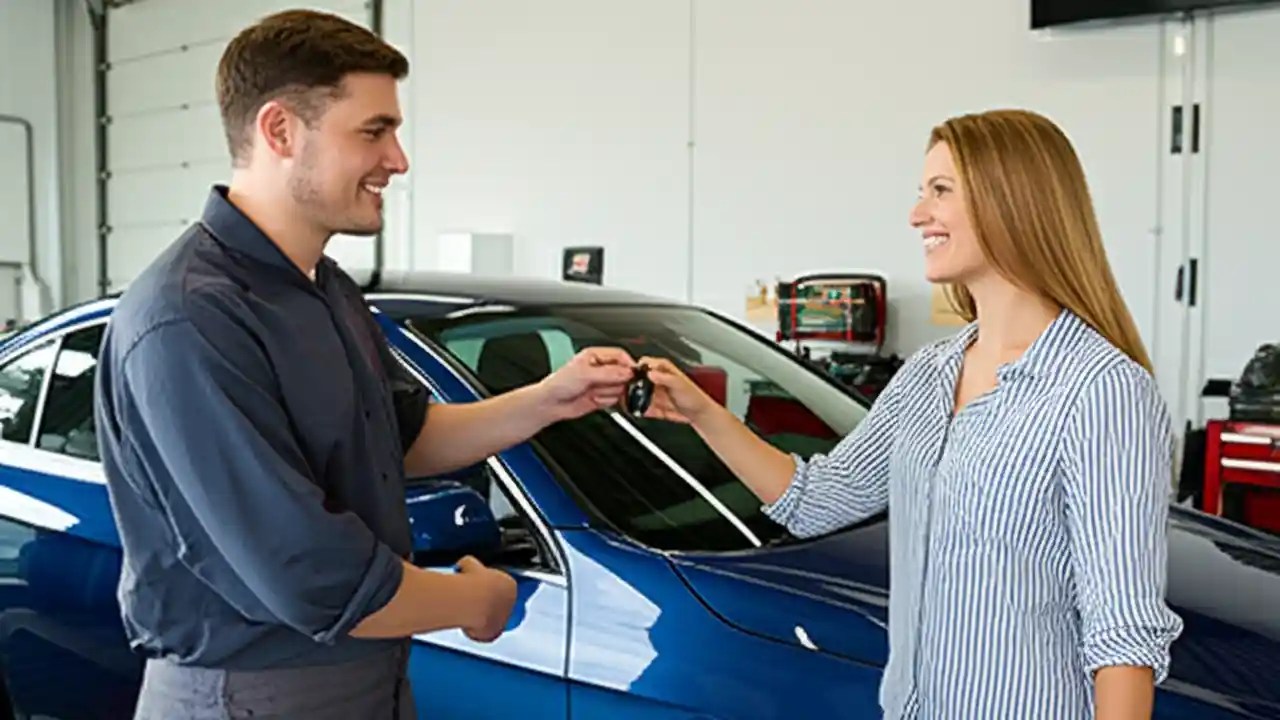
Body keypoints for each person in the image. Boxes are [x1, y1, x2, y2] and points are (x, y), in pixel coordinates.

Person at [93, 10, 636, 720]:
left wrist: (551, 398)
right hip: (252, 695)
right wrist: (480, 599)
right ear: (280, 130)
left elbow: (399, 439)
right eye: (374, 131)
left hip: (365, 677)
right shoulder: (190, 318)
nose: (399, 160)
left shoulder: (327, 288)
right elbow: (312, 575)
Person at [637, 108, 1184, 720]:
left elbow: (1124, 635)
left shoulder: (1101, 389)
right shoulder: (929, 374)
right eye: (920, 192)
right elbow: (820, 499)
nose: (916, 214)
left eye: (940, 191)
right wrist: (702, 413)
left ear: (1012, 202)